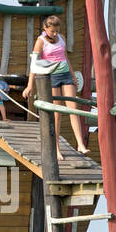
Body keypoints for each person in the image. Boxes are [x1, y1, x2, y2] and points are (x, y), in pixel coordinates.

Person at [22, 15, 88, 159]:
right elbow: (34, 65)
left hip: (65, 75)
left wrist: (73, 76)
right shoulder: (41, 41)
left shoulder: (61, 38)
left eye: (57, 31)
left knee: (73, 109)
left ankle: (80, 144)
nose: (55, 34)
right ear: (45, 28)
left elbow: (65, 58)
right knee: (57, 113)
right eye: (52, 31)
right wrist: (29, 85)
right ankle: (56, 147)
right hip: (52, 77)